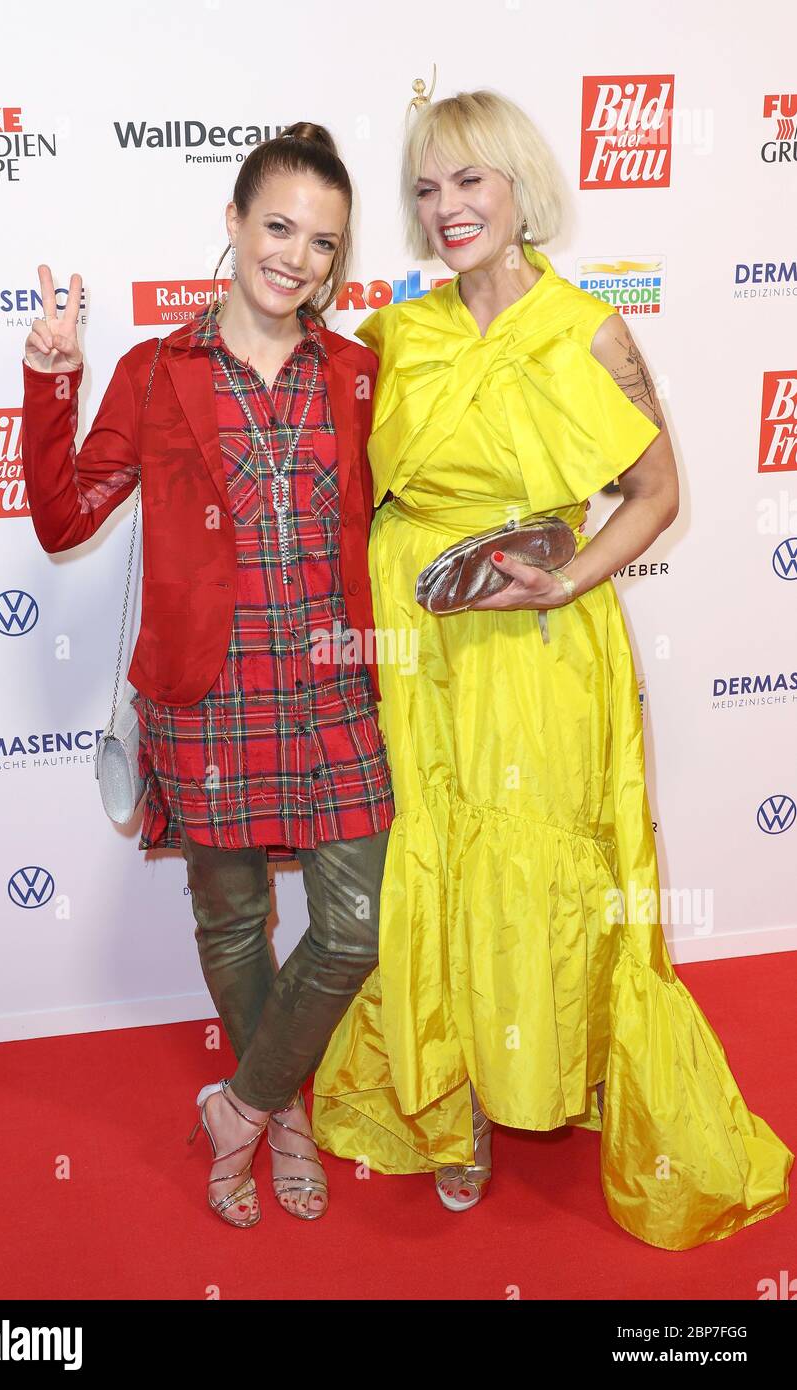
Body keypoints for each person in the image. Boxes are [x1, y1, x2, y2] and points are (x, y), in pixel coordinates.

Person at [310, 89, 793, 1250]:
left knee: (535, 874)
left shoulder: (589, 329)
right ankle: (455, 1102)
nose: (447, 207)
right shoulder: (399, 334)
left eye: (468, 180)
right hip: (419, 645)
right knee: (436, 863)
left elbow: (656, 493)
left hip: (535, 639)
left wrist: (566, 580)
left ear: (521, 183)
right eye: (426, 189)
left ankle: (546, 1071)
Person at [20, 123, 394, 1228]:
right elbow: (62, 521)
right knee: (231, 925)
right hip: (207, 697)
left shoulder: (363, 376)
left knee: (355, 928)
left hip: (333, 692)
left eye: (321, 243)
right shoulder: (154, 371)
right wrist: (50, 381)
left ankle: (239, 1102)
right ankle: (281, 1117)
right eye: (277, 227)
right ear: (230, 224)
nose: (296, 258)